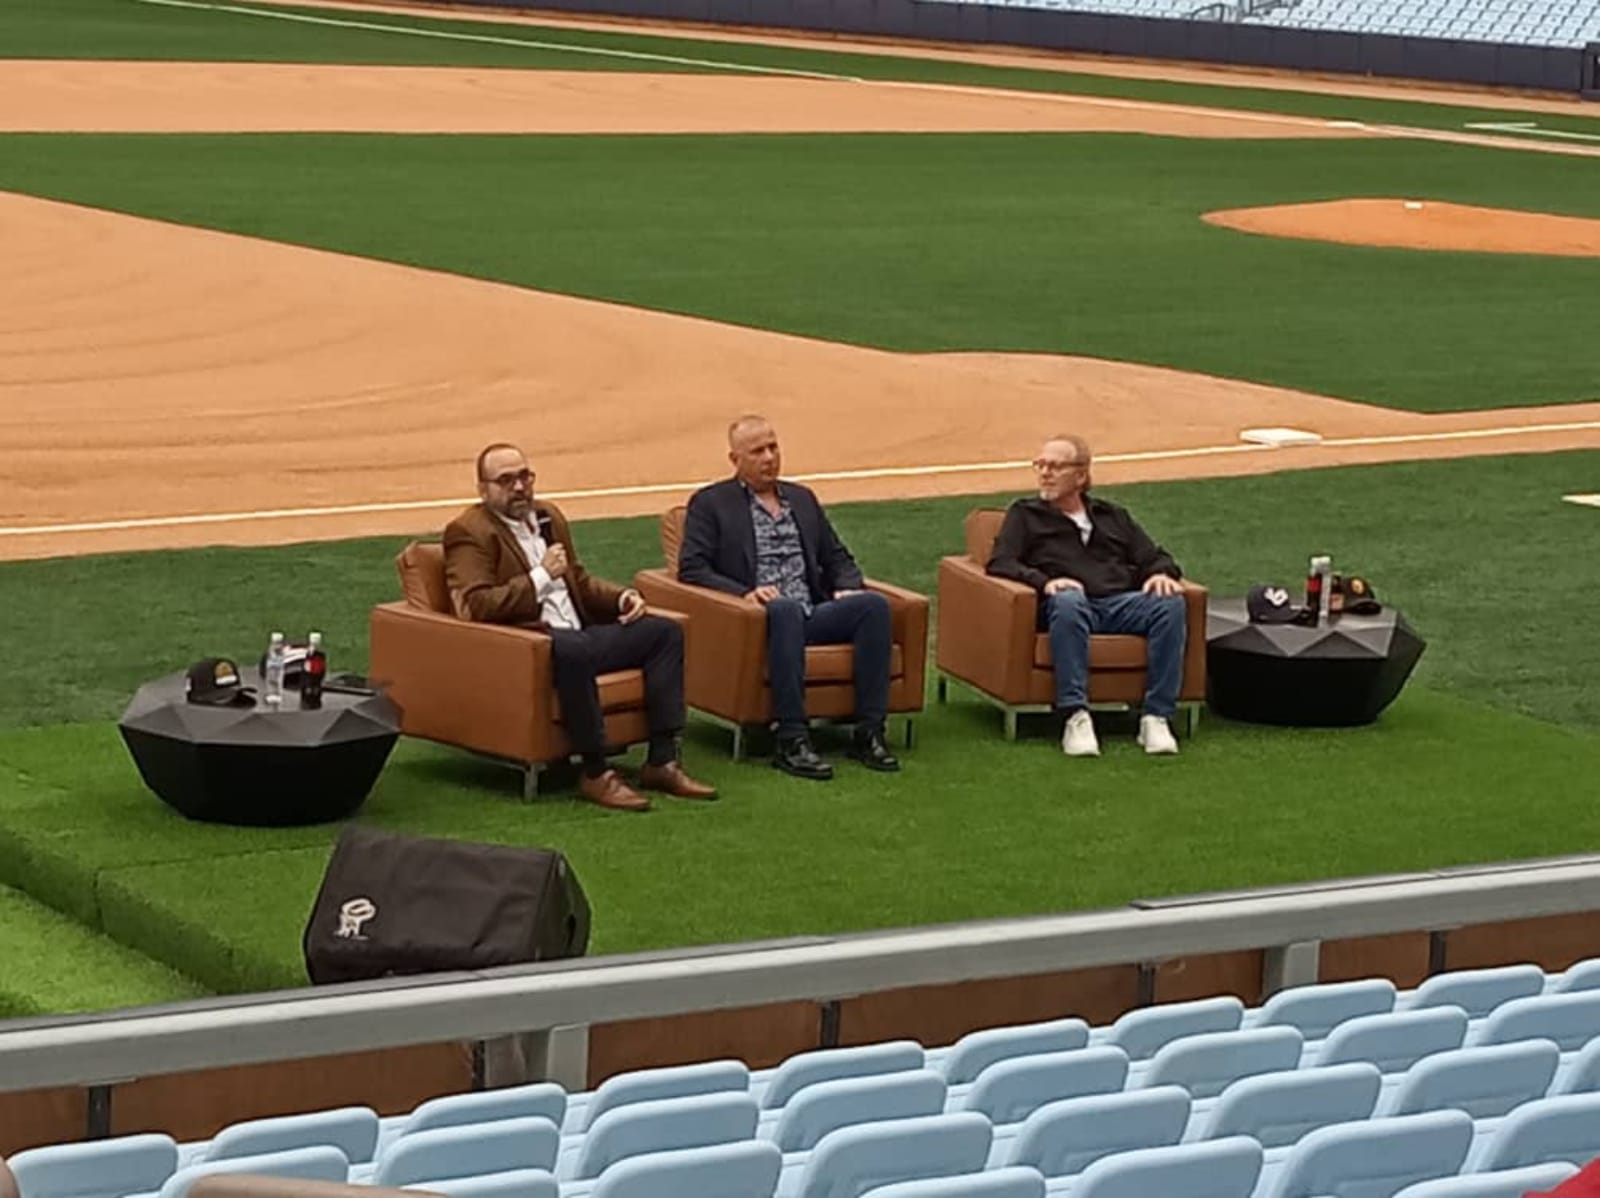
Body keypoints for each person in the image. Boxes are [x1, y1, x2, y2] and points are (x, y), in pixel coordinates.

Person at [444, 443, 715, 811]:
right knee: (573, 649)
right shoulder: (468, 532)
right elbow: (478, 605)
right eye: (506, 480)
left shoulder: (547, 517)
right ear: (483, 489)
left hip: (580, 635)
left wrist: (623, 598)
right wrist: (540, 575)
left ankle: (662, 761)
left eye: (525, 477)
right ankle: (595, 771)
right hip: (533, 642)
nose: (520, 487)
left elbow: (578, 582)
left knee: (663, 633)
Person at [679, 415, 900, 781]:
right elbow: (692, 568)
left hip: (813, 611)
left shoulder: (801, 498)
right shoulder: (710, 503)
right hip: (763, 618)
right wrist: (744, 593)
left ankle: (869, 732)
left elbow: (837, 557)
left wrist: (847, 586)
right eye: (758, 451)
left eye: (773, 447)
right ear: (735, 460)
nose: (769, 457)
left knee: (873, 606)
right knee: (784, 610)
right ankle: (792, 739)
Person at [987, 434, 1187, 757]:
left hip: (1118, 603)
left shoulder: (1112, 516)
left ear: (1081, 476)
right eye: (1040, 465)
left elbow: (1155, 556)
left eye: (1055, 466)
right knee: (1068, 601)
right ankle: (1075, 716)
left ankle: (1156, 716)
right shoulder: (1025, 514)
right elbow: (1001, 562)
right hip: (1066, 605)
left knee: (1171, 603)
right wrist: (1045, 582)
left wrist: (1160, 575)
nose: (1045, 473)